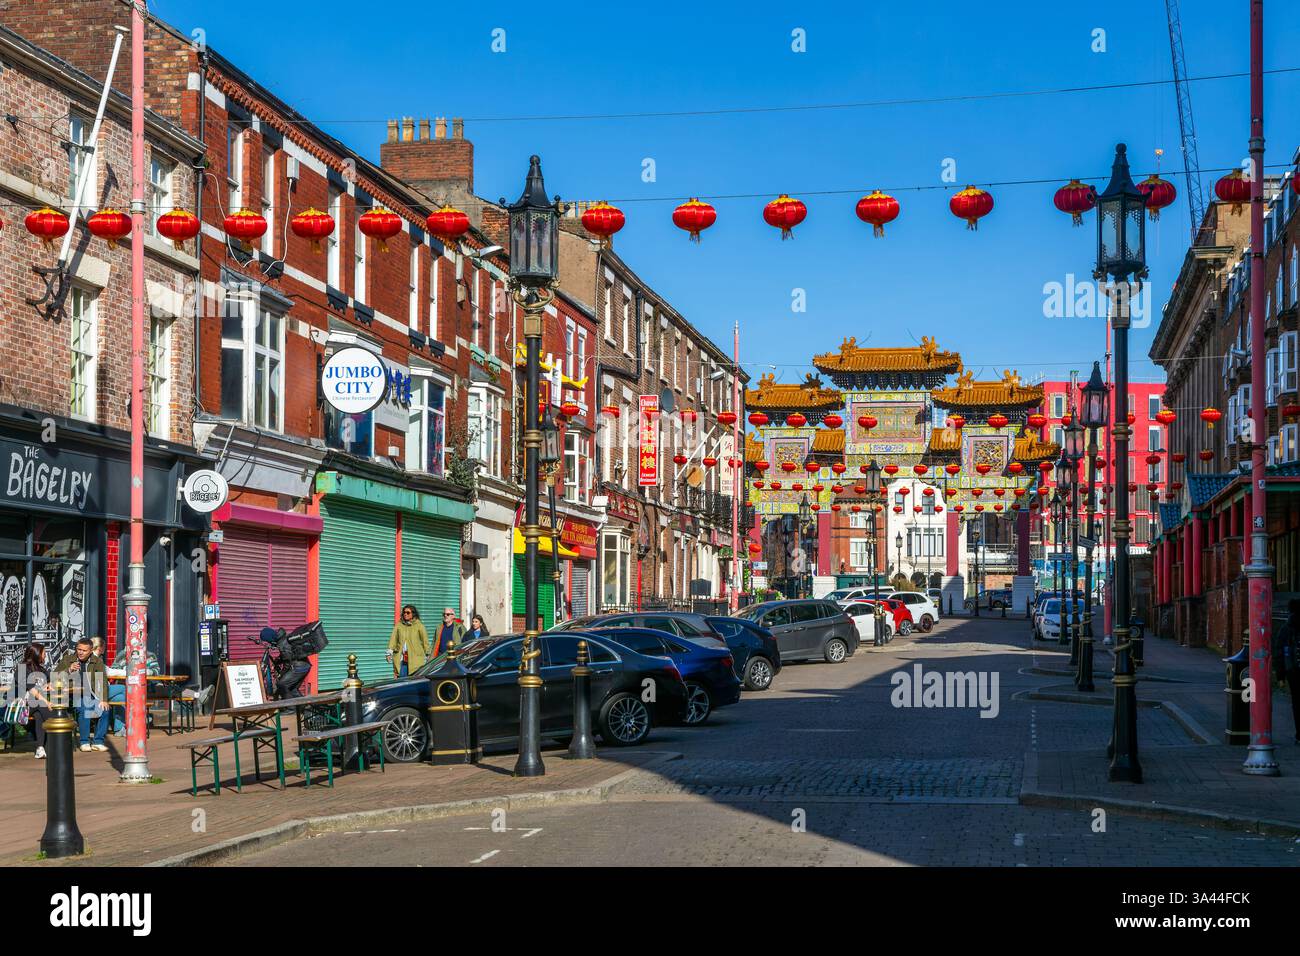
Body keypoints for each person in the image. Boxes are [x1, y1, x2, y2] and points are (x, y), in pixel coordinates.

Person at [54, 637, 109, 752]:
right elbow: (55, 676)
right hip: (72, 695)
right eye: (79, 649)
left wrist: (104, 699)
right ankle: (84, 741)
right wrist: (69, 670)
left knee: (105, 709)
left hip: (91, 694)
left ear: (90, 651)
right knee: (85, 708)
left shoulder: (97, 661)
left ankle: (98, 741)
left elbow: (102, 681)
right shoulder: (68, 659)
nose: (80, 652)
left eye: (84, 650)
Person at [1273, 598, 1300, 745]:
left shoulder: (1286, 628)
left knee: (1296, 702)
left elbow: (1279, 653)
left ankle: (1299, 734)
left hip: (1293, 670)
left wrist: (1280, 675)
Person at [261, 626, 311, 699]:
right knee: (292, 689)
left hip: (299, 667)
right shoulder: (283, 639)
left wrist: (281, 675)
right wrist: (279, 660)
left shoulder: (282, 645)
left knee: (281, 684)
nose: (269, 643)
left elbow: (287, 664)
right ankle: (301, 707)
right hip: (304, 665)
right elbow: (289, 655)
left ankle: (290, 709)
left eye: (268, 641)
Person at [21, 643, 52, 759]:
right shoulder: (23, 669)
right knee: (39, 703)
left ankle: (40, 748)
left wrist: (49, 685)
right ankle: (56, 724)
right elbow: (32, 690)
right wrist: (47, 702)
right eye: (44, 653)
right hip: (22, 708)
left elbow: (50, 681)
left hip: (36, 706)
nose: (45, 656)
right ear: (37, 654)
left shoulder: (42, 669)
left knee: (39, 716)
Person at [386, 605, 429, 678]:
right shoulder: (399, 625)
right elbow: (393, 639)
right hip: (402, 659)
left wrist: (428, 655)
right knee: (402, 680)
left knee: (414, 681)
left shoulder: (419, 625)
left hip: (416, 659)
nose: (405, 614)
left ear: (413, 614)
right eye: (404, 612)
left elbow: (425, 641)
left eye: (408, 612)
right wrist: (389, 653)